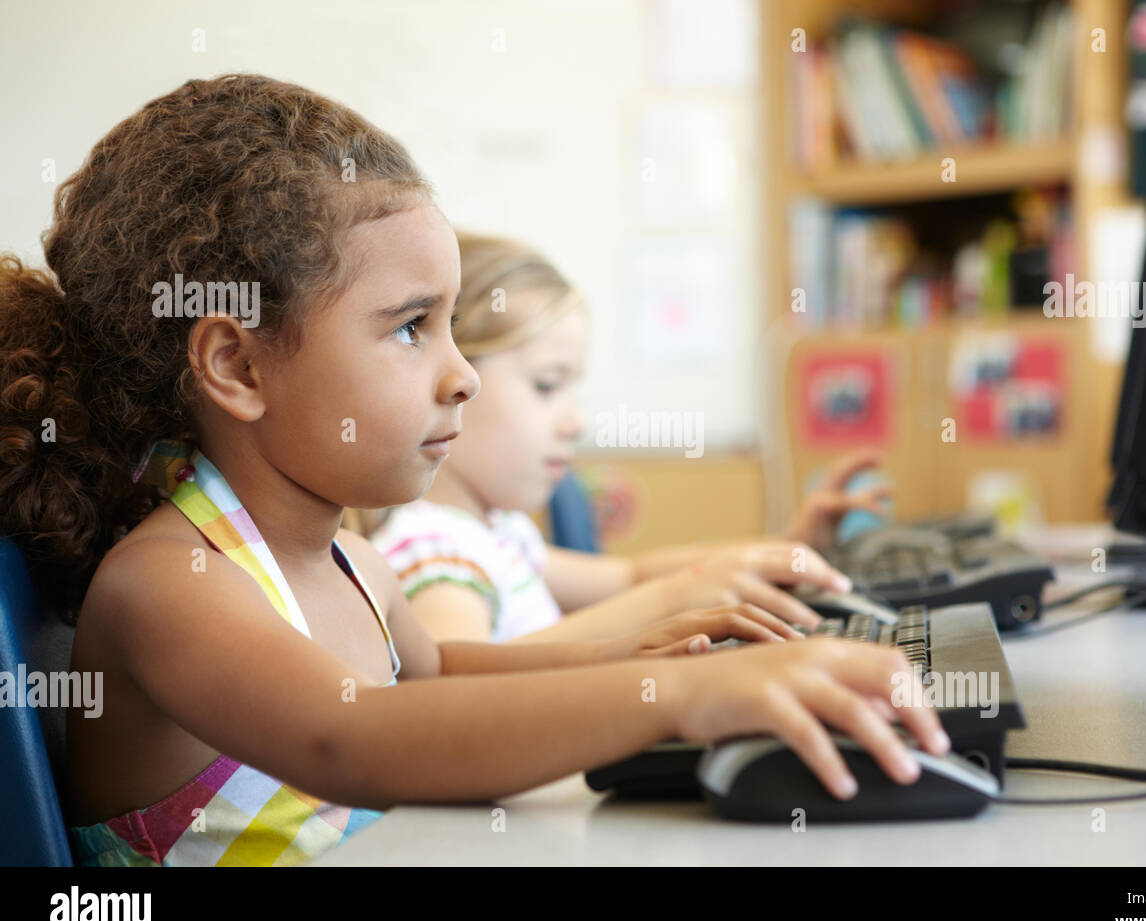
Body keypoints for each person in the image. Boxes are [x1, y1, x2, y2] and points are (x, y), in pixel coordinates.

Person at [0, 74, 946, 866]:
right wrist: (683, 699)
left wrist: (638, 655)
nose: (461, 376)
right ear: (238, 367)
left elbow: (441, 673)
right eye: (412, 327)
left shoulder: (355, 563)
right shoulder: (171, 586)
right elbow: (355, 739)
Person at [367, 232, 890, 644]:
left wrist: (787, 549)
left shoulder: (500, 535)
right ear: (454, 382)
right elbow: (455, 687)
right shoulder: (434, 555)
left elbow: (628, 577)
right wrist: (674, 601)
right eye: (548, 385)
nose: (575, 422)